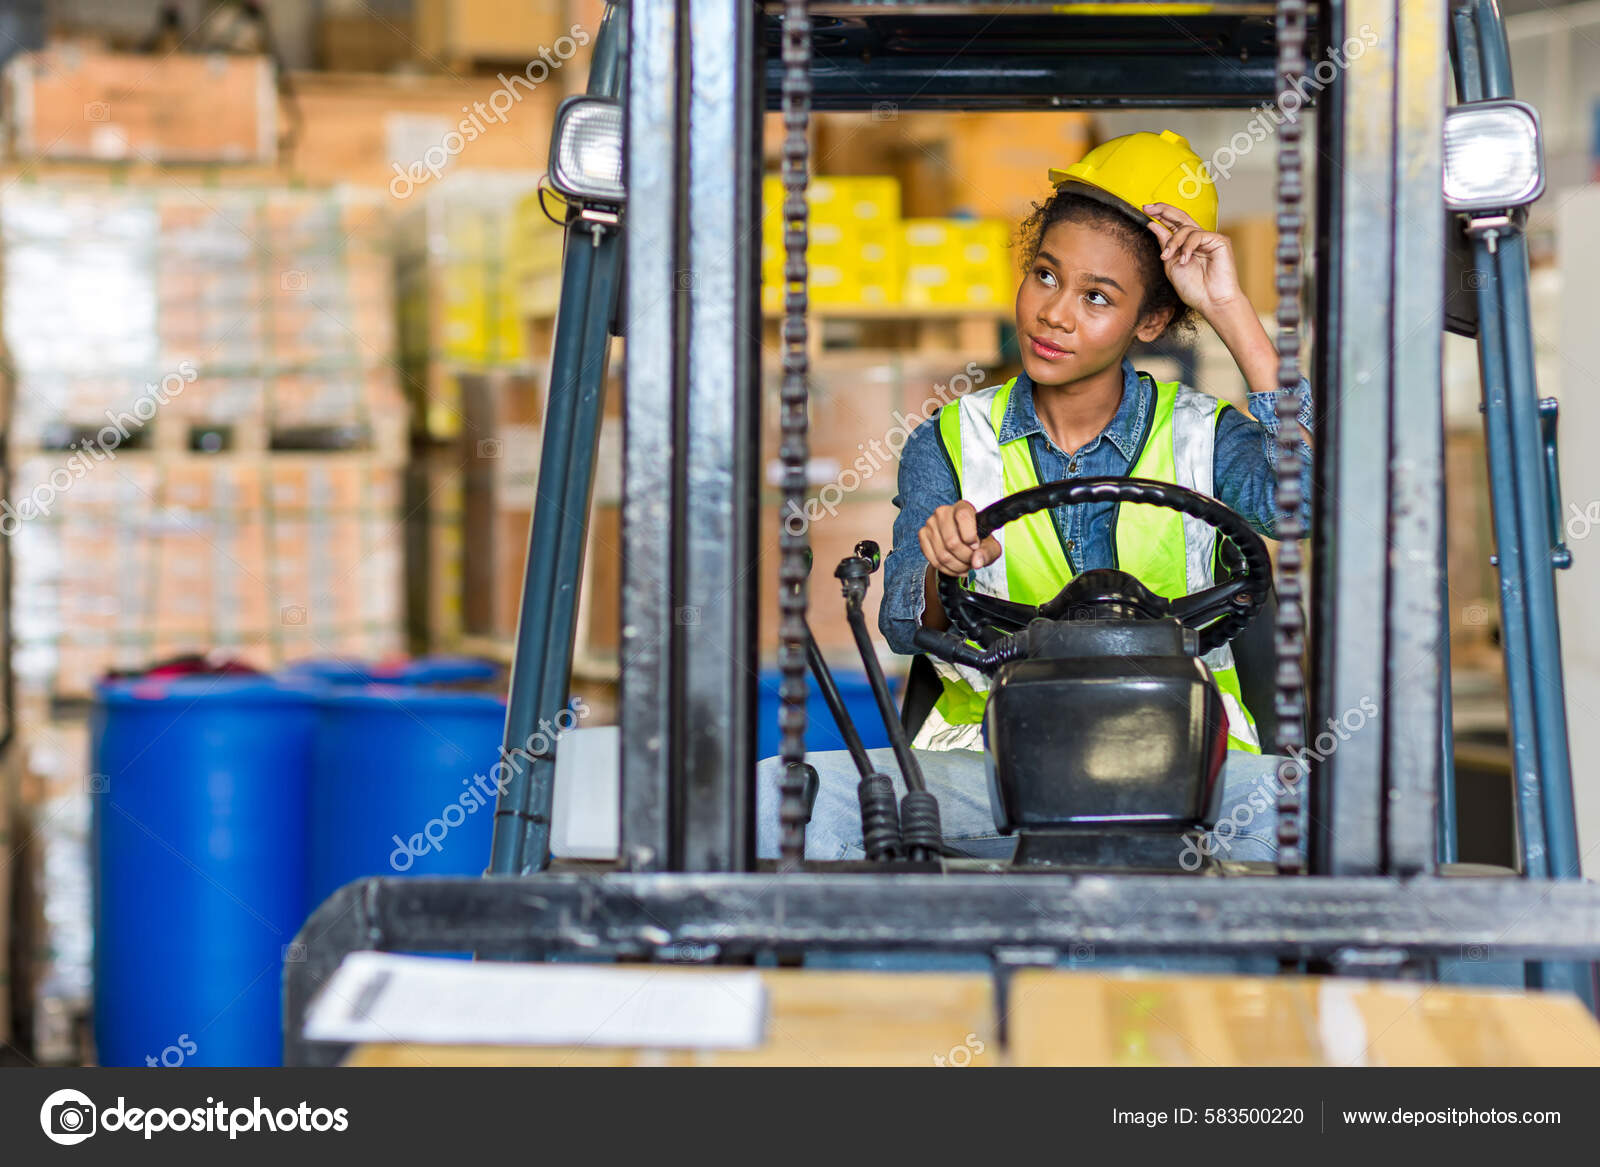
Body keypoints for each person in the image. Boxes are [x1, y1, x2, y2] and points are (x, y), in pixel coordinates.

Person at [757, 129, 1313, 865]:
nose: (1055, 313)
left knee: (1332, 817)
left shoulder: (1207, 437)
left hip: (1189, 775)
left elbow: (1306, 501)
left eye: (1097, 297)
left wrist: (1230, 309)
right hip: (993, 773)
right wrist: (941, 567)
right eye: (1046, 275)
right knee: (780, 799)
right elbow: (900, 620)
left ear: (1150, 321)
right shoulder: (953, 438)